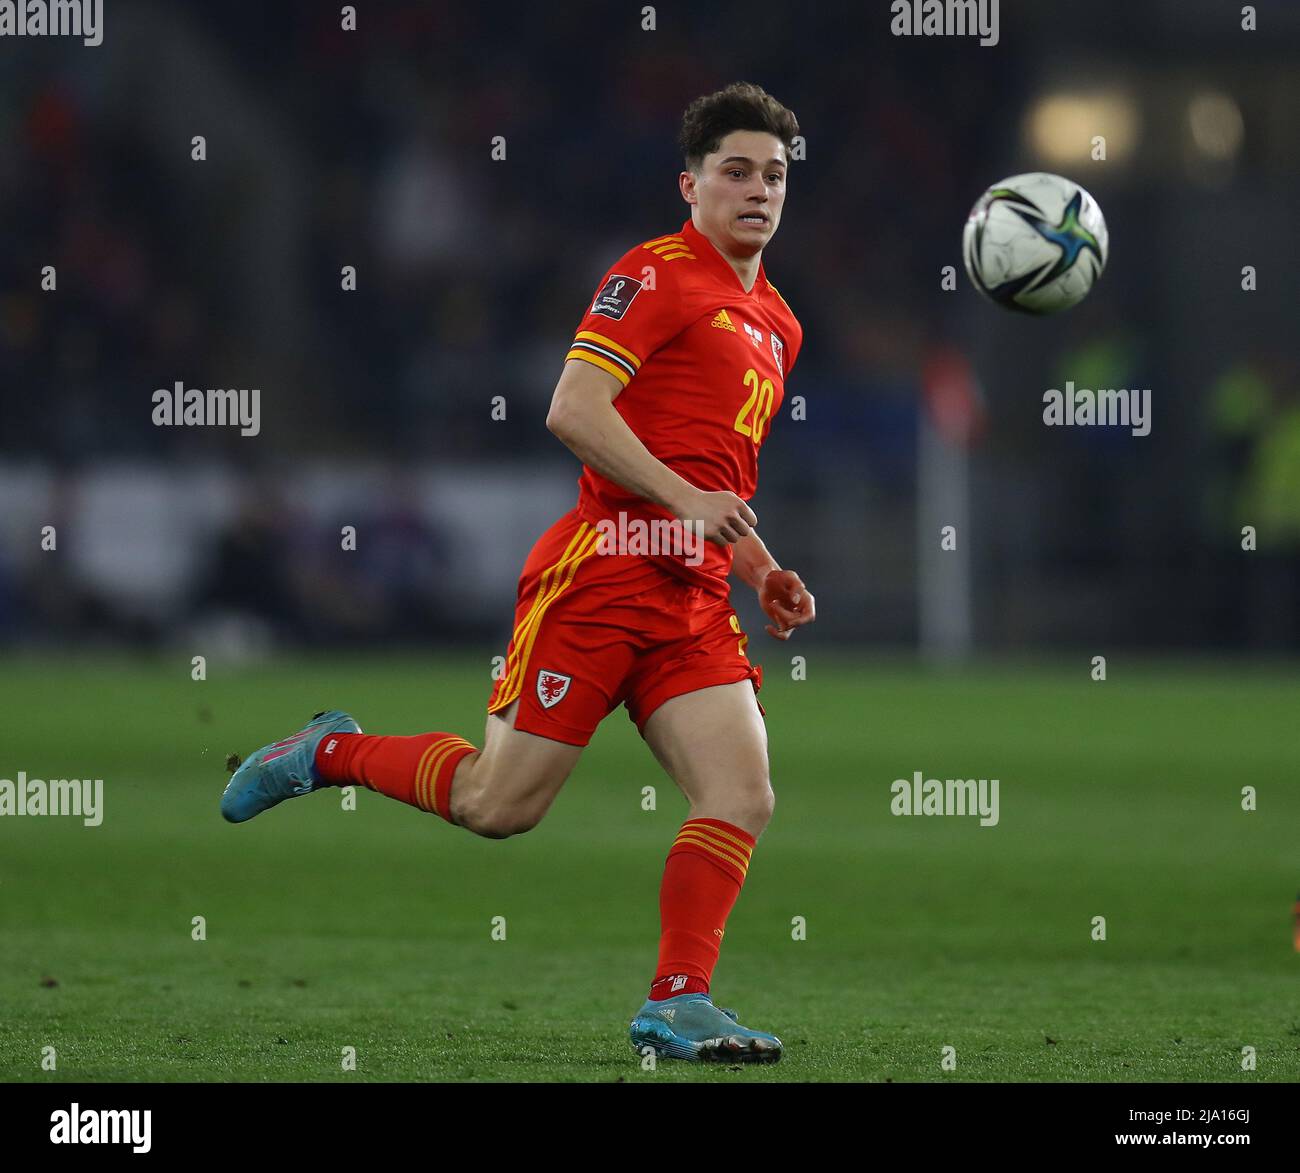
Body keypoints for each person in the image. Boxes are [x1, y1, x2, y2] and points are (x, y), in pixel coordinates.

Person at [221, 81, 816, 1064]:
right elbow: (573, 409)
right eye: (736, 171)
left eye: (775, 176)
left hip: (693, 594)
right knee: (499, 808)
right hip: (604, 572)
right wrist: (684, 503)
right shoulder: (653, 275)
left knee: (742, 794)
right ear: (692, 183)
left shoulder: (779, 324)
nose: (757, 190)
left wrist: (757, 565)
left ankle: (678, 1001)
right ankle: (327, 752)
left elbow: (718, 478)